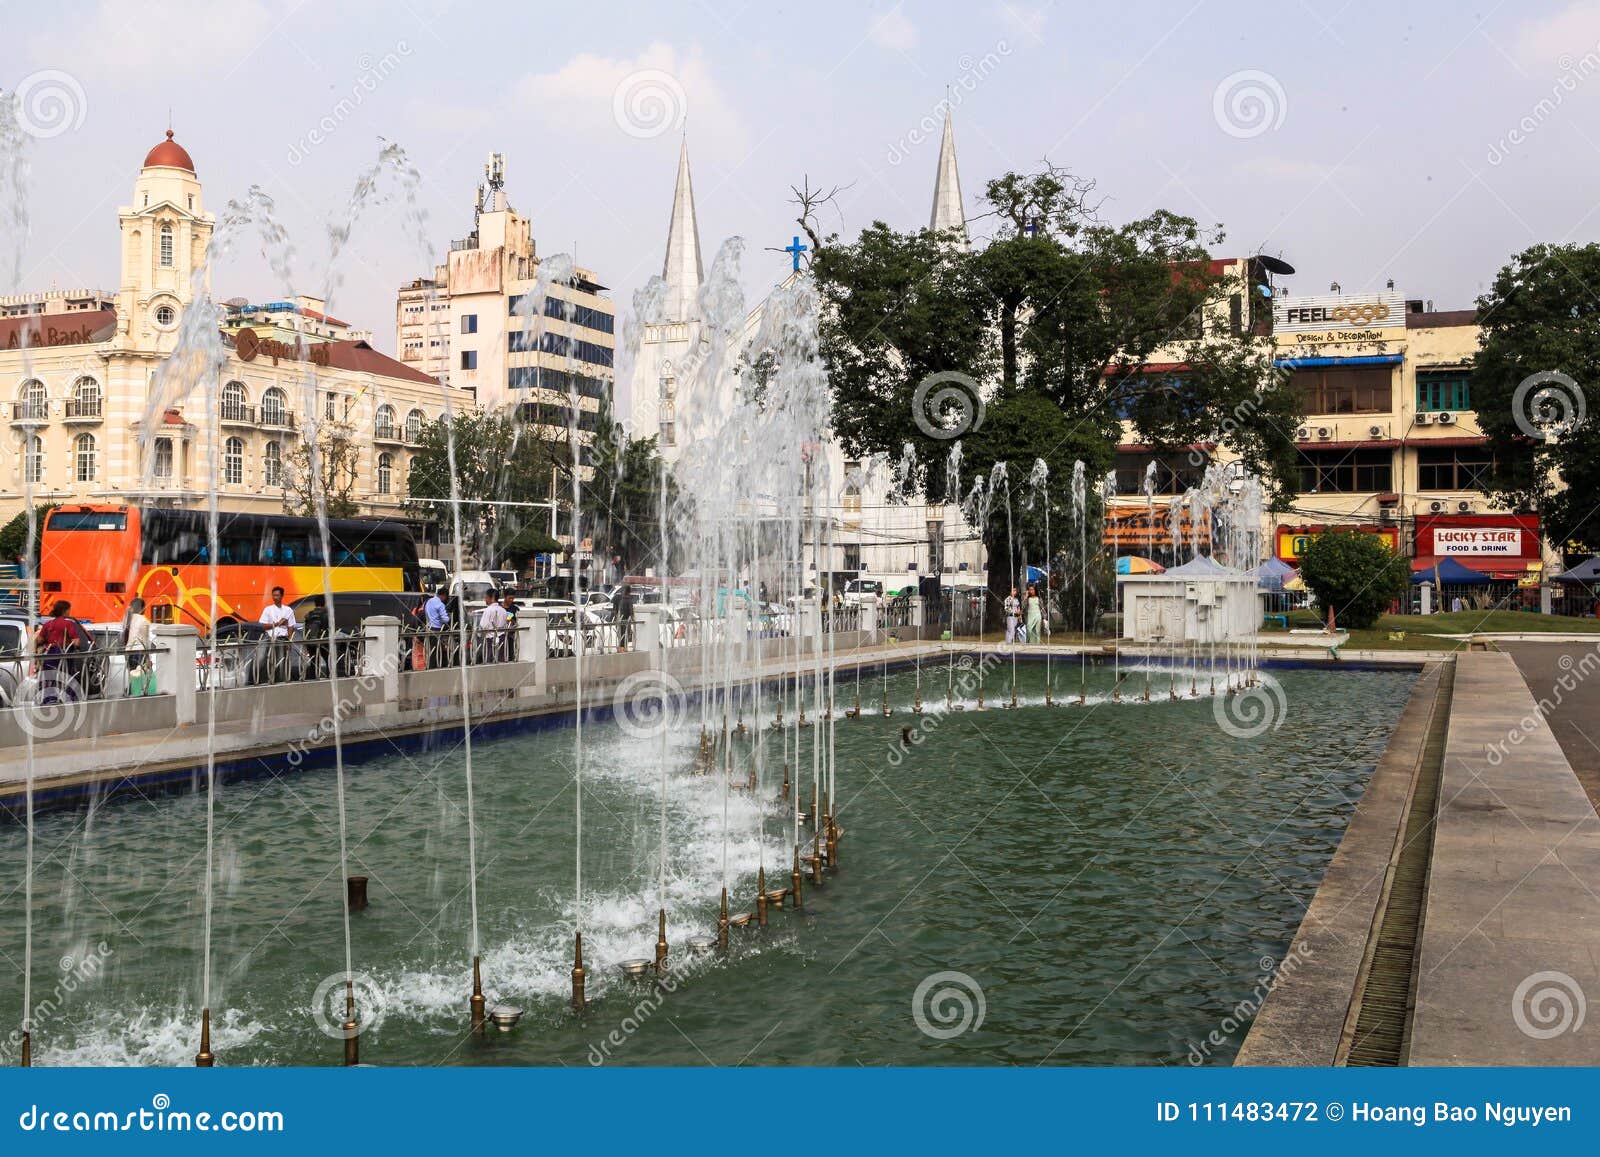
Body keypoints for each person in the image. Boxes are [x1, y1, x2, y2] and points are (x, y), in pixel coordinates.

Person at [34, 600, 86, 703]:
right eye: (69, 610)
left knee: (50, 677)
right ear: (65, 611)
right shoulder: (68, 624)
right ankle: (66, 697)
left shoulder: (48, 624)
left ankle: (48, 698)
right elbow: (76, 642)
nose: (69, 612)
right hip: (64, 654)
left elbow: (39, 640)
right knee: (66, 676)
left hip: (50, 654)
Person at [121, 597, 154, 696]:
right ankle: (137, 695)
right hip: (140, 652)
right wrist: (149, 657)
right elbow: (145, 641)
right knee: (141, 677)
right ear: (142, 608)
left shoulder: (127, 618)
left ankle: (130, 693)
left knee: (133, 676)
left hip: (129, 652)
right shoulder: (144, 620)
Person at [616, 582, 636, 653]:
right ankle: (624, 648)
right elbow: (631, 611)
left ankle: (621, 648)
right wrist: (633, 620)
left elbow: (619, 610)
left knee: (621, 635)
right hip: (627, 621)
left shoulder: (622, 600)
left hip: (621, 620)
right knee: (626, 634)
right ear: (629, 592)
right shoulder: (629, 600)